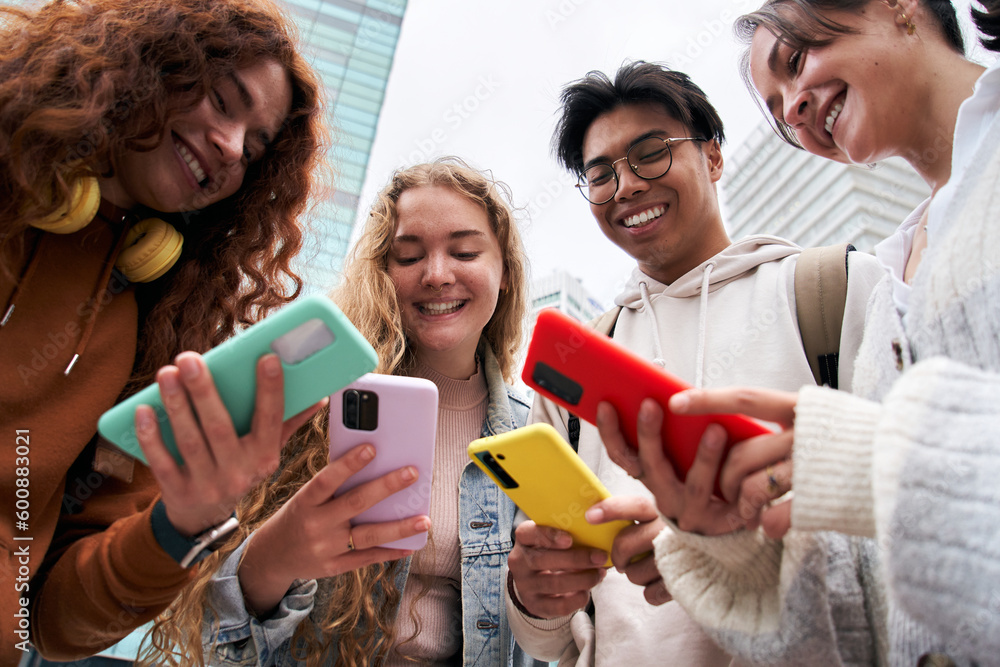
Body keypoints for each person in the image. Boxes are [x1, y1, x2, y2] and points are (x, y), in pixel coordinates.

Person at [607, 2, 1000, 665]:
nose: (791, 109)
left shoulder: (844, 287)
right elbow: (865, 622)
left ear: (899, 6)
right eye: (777, 102)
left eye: (793, 64)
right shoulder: (890, 286)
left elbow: (893, 474)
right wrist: (733, 541)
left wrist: (884, 462)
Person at [503, 61, 884, 666]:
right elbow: (551, 636)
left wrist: (719, 543)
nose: (625, 185)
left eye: (650, 152)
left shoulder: (832, 293)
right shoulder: (575, 365)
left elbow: (919, 509)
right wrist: (534, 599)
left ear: (712, 158)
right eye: (600, 174)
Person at [0, 0, 330, 662]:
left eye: (255, 146)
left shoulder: (154, 329)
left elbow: (56, 619)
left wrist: (179, 527)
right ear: (149, 63)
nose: (232, 147)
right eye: (221, 99)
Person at [146, 159, 547, 667]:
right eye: (407, 257)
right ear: (382, 273)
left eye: (465, 251)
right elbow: (214, 625)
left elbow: (550, 633)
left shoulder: (536, 433)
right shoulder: (314, 401)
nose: (437, 275)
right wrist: (277, 553)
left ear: (505, 274)